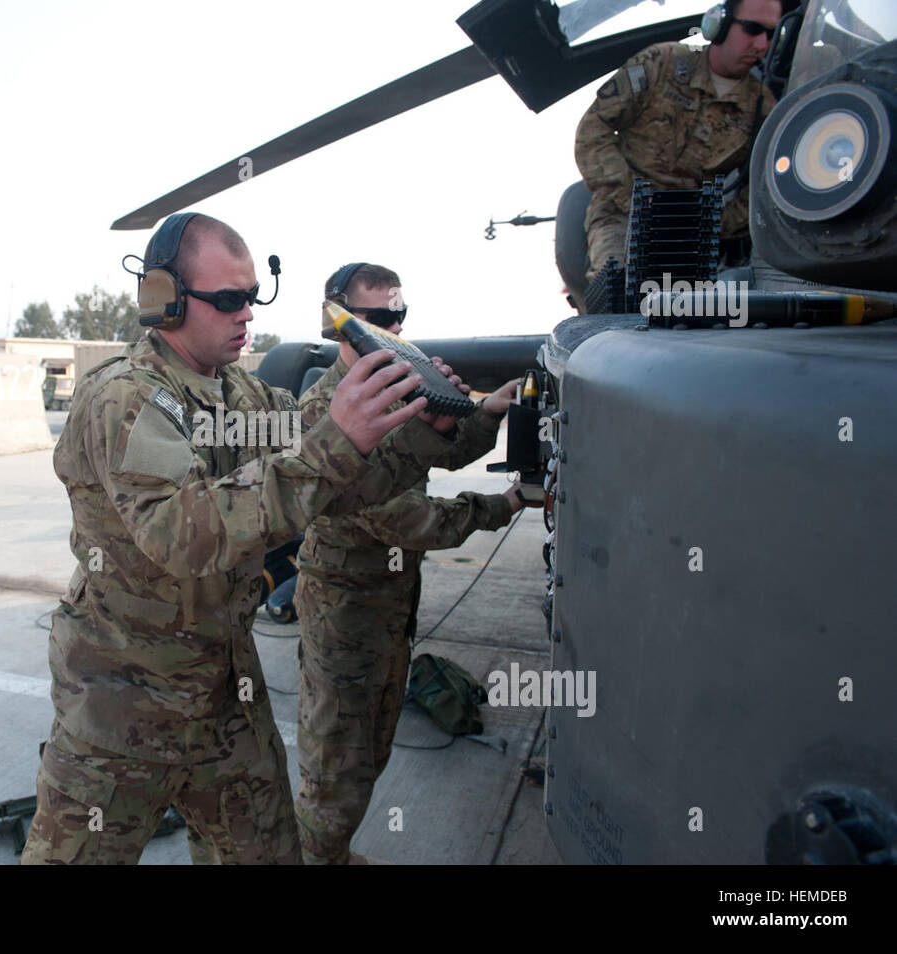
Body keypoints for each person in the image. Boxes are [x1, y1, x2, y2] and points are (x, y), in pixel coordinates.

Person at [20, 214, 496, 864]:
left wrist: (420, 426)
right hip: (122, 703)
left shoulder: (239, 393)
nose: (246, 314)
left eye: (254, 297)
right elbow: (182, 535)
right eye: (228, 300)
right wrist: (337, 442)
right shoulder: (127, 400)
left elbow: (331, 479)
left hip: (222, 691)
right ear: (165, 300)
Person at [292, 263, 529, 865]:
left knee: (372, 750)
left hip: (390, 605)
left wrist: (492, 411)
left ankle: (334, 855)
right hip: (346, 613)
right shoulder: (329, 409)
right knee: (336, 769)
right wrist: (500, 506)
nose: (395, 328)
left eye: (401, 315)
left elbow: (437, 449)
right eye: (380, 318)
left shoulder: (395, 379)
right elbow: (402, 517)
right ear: (339, 322)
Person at [575, 0, 782, 281]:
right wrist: (630, 197)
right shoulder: (661, 63)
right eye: (752, 29)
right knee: (616, 287)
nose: (761, 44)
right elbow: (593, 129)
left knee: (691, 308)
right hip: (621, 214)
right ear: (717, 25)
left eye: (771, 34)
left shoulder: (763, 108)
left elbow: (766, 185)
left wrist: (712, 223)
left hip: (689, 230)